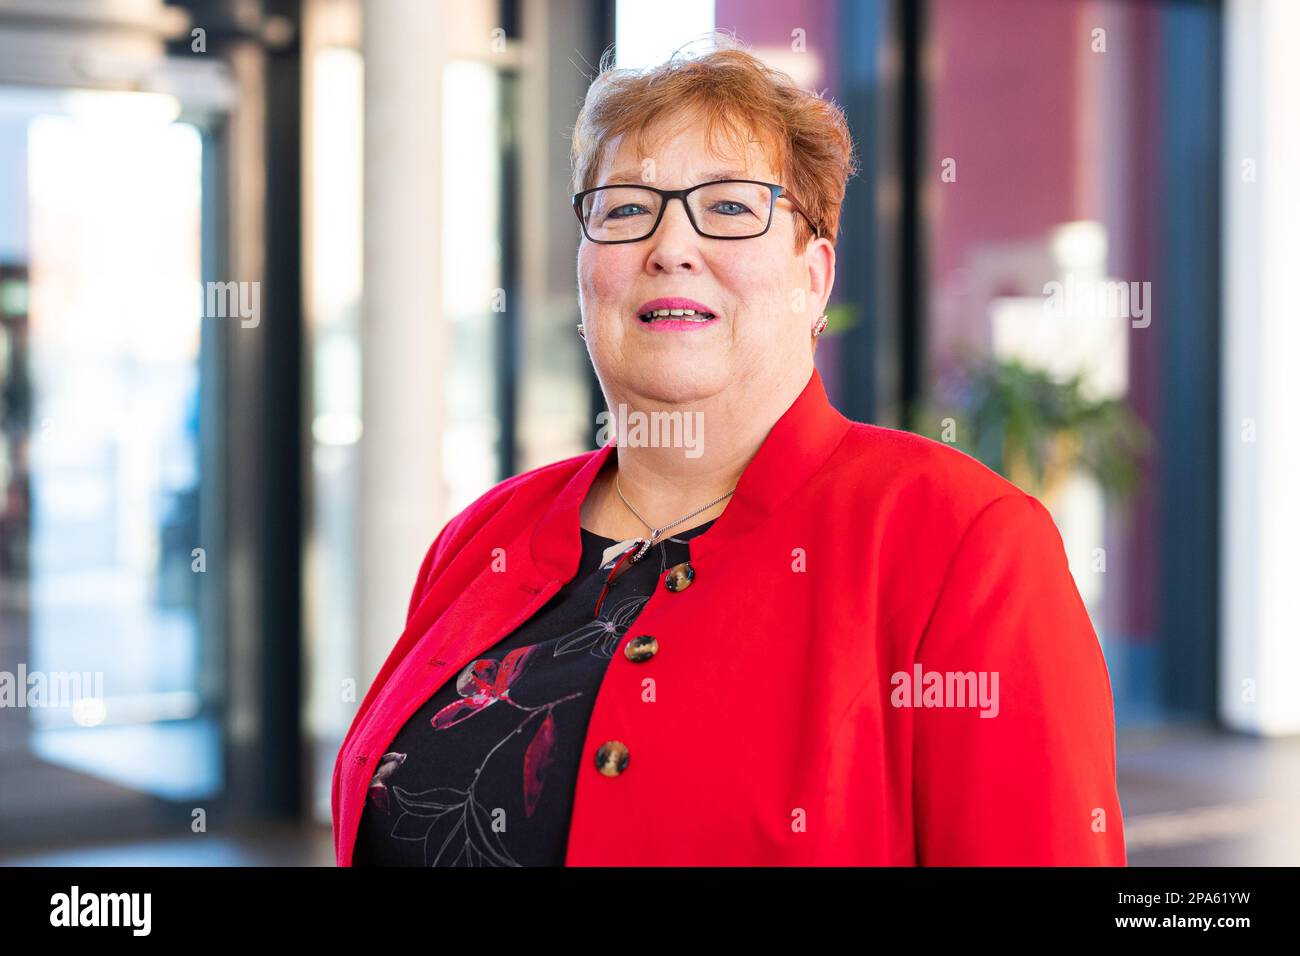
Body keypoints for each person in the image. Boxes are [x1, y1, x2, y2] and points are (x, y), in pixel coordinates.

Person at [333, 35, 1126, 867]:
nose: (670, 247)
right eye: (626, 208)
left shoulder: (961, 543)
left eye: (731, 208)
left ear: (812, 277)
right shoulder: (480, 538)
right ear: (585, 270)